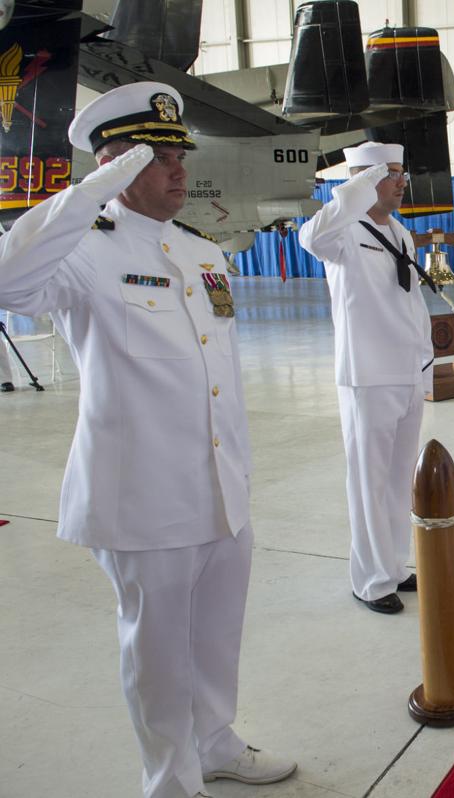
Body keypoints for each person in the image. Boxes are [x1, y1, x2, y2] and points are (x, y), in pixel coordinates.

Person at [0, 82, 295, 798]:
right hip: (143, 495)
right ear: (116, 164)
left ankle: (215, 744)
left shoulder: (201, 252)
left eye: (178, 155)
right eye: (157, 158)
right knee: (158, 650)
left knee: (215, 635)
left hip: (220, 488)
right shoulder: (82, 251)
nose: (178, 170)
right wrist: (93, 190)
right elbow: (9, 281)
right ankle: (170, 781)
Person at [297, 142, 433, 615]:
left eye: (401, 172)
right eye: (390, 173)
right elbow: (309, 237)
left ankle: (392, 564)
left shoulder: (400, 232)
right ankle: (370, 580)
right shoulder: (341, 232)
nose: (401, 182)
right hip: (367, 374)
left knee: (397, 480)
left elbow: (412, 304)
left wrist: (425, 365)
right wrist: (355, 188)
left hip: (405, 372)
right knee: (368, 482)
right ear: (363, 179)